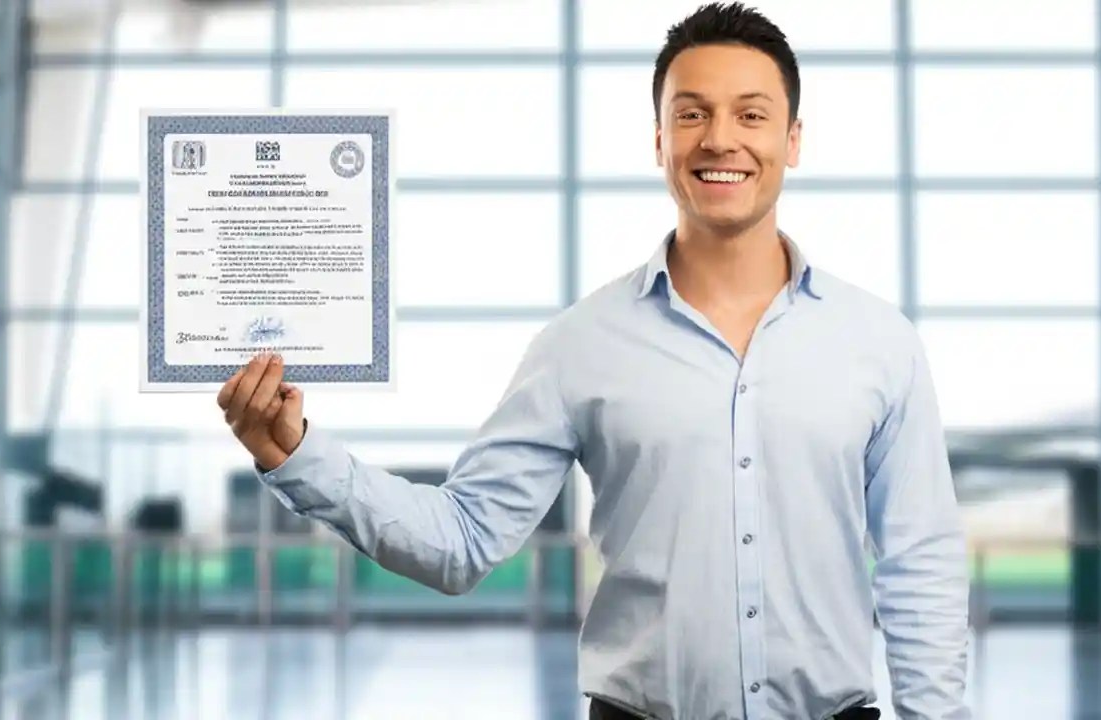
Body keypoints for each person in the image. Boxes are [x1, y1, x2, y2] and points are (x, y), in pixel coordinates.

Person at [216, 3, 970, 718]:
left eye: (751, 114)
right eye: (691, 113)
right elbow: (463, 539)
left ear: (793, 140)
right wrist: (298, 456)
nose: (719, 139)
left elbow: (921, 565)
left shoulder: (878, 343)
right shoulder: (582, 345)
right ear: (659, 140)